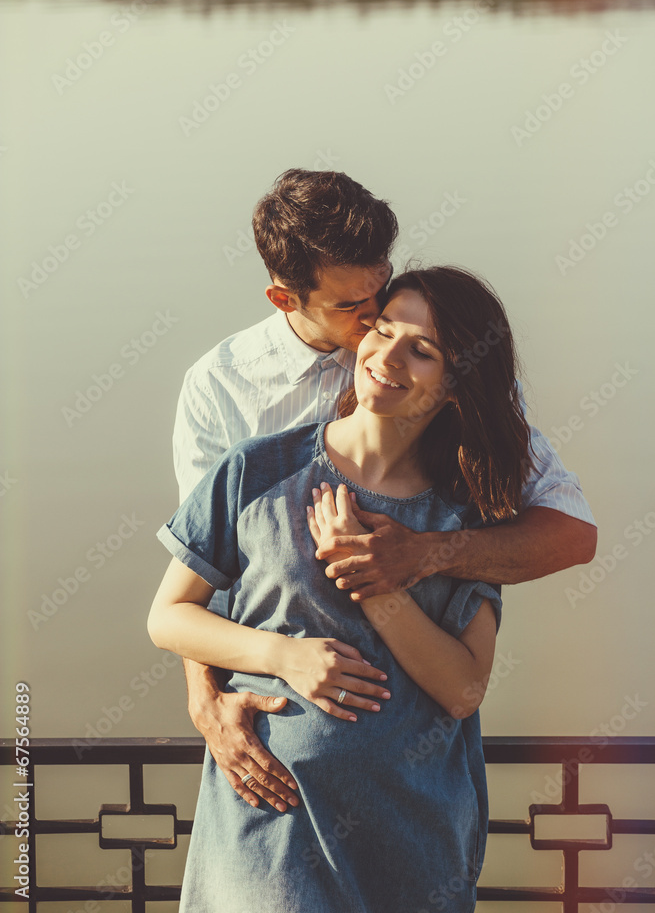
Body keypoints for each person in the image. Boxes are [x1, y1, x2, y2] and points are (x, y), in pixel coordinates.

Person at [173, 168, 597, 814]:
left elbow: (571, 534)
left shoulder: (431, 357)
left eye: (379, 289)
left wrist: (428, 554)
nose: (375, 322)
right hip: (276, 754)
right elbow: (203, 565)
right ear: (285, 299)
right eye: (352, 309)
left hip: (413, 774)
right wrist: (207, 705)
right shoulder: (221, 388)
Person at [149, 266, 567, 911]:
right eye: (381, 329)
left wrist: (378, 586)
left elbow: (463, 690)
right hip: (271, 828)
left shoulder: (463, 515)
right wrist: (282, 656)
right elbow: (170, 617)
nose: (387, 356)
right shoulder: (257, 470)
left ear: (455, 387)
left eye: (422, 352)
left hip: (413, 841)